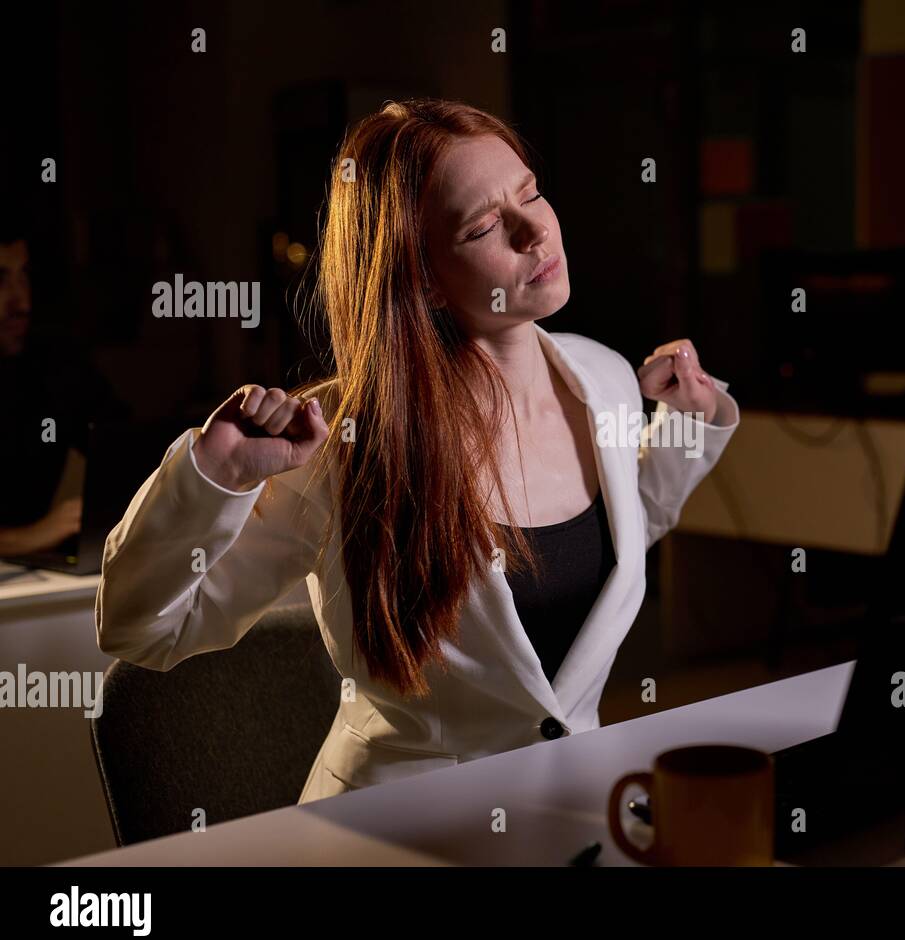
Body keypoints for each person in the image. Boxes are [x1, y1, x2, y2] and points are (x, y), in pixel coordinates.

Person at [95, 99, 740, 803]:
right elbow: (142, 630)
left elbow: (625, 528)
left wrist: (685, 423)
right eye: (486, 224)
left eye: (529, 192)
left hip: (569, 814)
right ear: (423, 277)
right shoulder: (336, 445)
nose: (535, 231)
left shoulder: (607, 378)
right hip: (397, 829)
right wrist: (211, 479)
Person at [0, 215, 125, 559]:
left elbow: (122, 441)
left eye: (24, 276)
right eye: (0, 280)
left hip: (34, 576)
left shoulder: (53, 362)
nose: (20, 302)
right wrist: (28, 537)